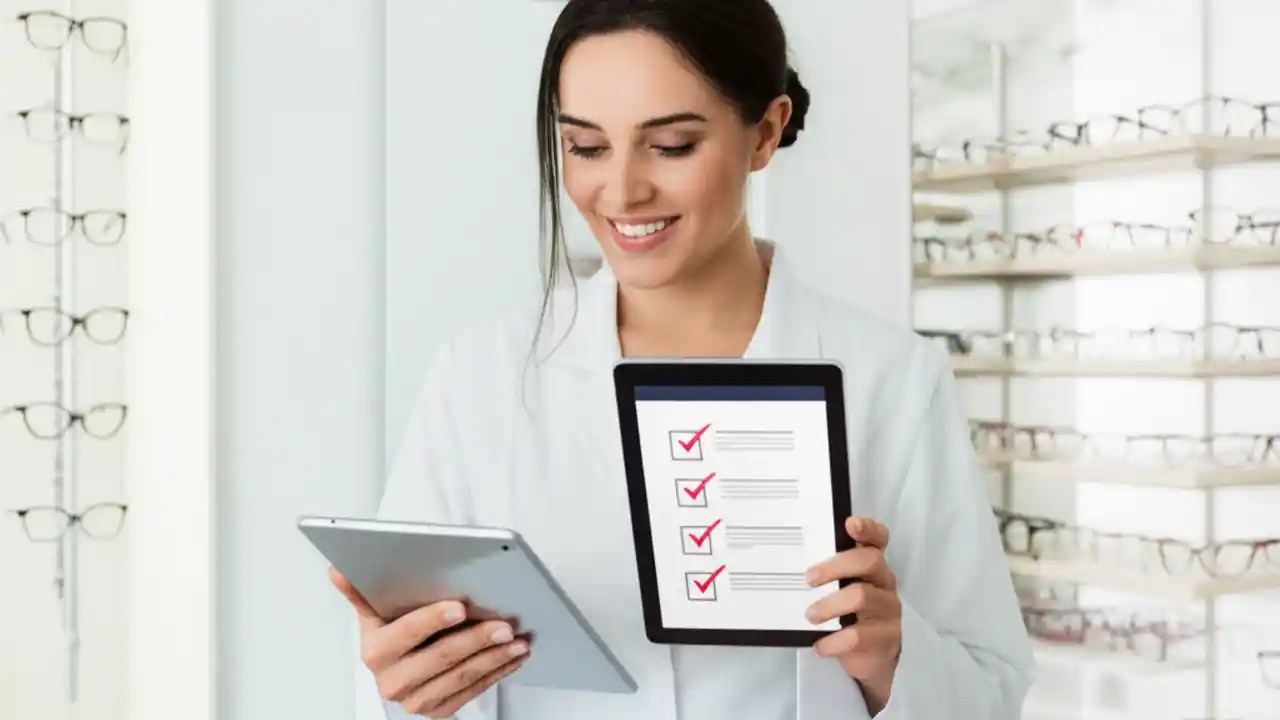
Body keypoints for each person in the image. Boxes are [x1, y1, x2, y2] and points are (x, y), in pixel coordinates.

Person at [332, 0, 1034, 718]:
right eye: (586, 147)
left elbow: (991, 688)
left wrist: (891, 654)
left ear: (765, 131)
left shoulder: (891, 380)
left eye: (669, 146)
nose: (623, 190)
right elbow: (403, 685)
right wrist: (411, 684)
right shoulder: (479, 377)